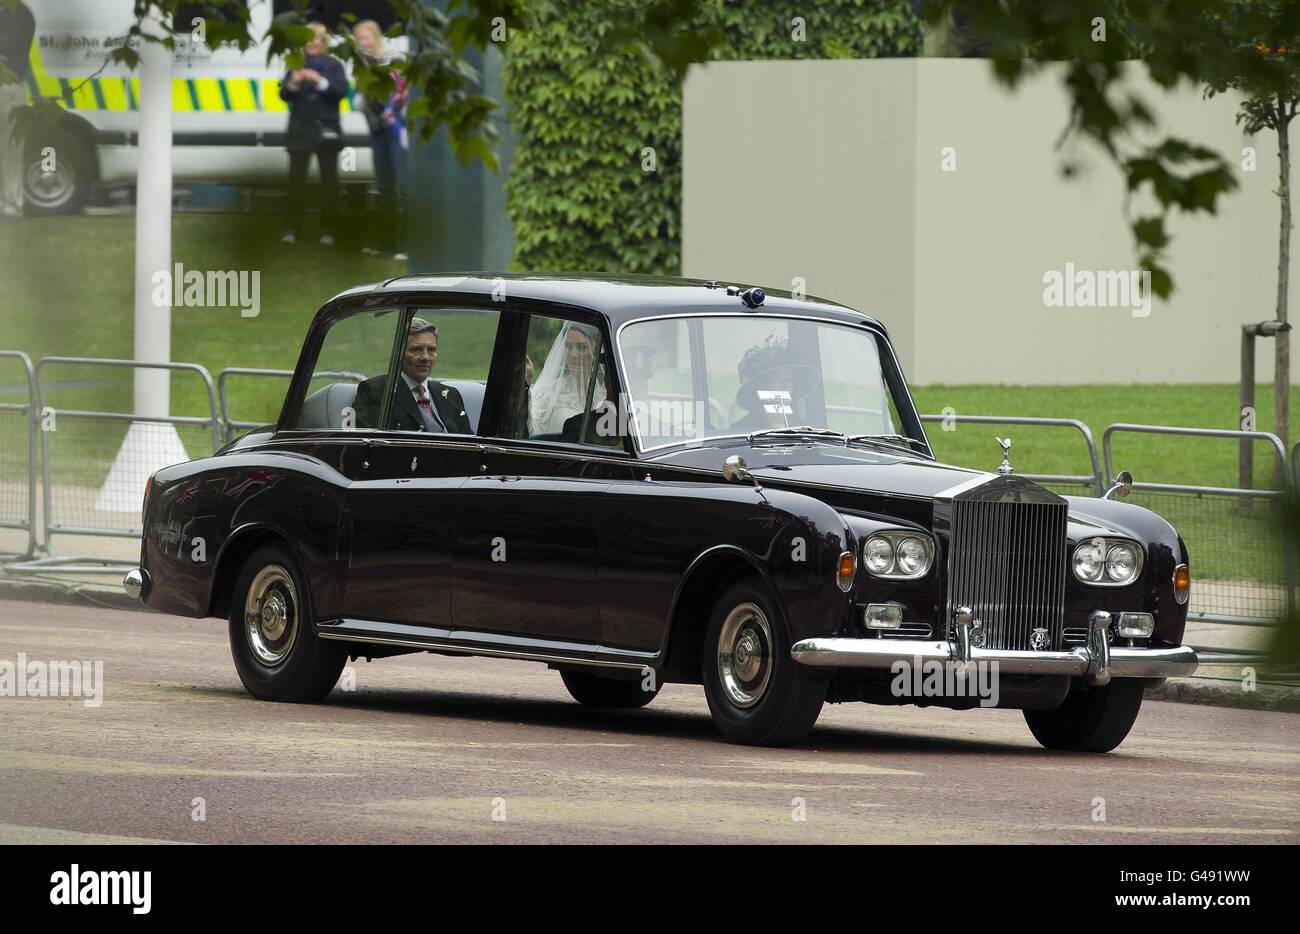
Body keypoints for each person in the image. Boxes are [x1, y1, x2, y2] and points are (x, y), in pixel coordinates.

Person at [280, 22, 346, 246]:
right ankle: (291, 230)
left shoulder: (333, 65)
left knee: (330, 184)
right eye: (307, 38)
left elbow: (340, 93)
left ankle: (330, 231)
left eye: (316, 38)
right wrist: (294, 82)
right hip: (300, 131)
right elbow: (284, 94)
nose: (311, 42)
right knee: (296, 183)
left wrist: (319, 81)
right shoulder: (294, 63)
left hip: (326, 131)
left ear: (323, 42)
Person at [351, 19, 408, 260]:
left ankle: (407, 246)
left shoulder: (395, 58)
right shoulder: (361, 66)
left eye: (366, 37)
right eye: (359, 39)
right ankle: (386, 243)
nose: (363, 43)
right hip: (377, 131)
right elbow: (359, 100)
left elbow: (401, 93)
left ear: (376, 36)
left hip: (398, 130)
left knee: (404, 188)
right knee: (384, 188)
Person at [354, 318, 471, 433]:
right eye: (416, 349)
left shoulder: (451, 395)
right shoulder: (375, 391)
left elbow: (471, 442)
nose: (425, 357)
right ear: (398, 352)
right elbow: (363, 443)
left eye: (431, 349)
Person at [529, 321, 606, 436]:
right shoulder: (549, 392)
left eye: (582, 347)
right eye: (568, 347)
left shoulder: (605, 393)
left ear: (597, 350)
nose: (573, 354)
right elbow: (531, 428)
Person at [0, 2, 35, 219]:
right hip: (7, 86)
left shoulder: (19, 13)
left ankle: (12, 203)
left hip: (8, 85)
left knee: (10, 147)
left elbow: (10, 45)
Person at [732, 336, 799, 432]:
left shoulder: (802, 428)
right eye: (776, 380)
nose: (785, 385)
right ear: (761, 386)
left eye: (789, 379)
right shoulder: (741, 431)